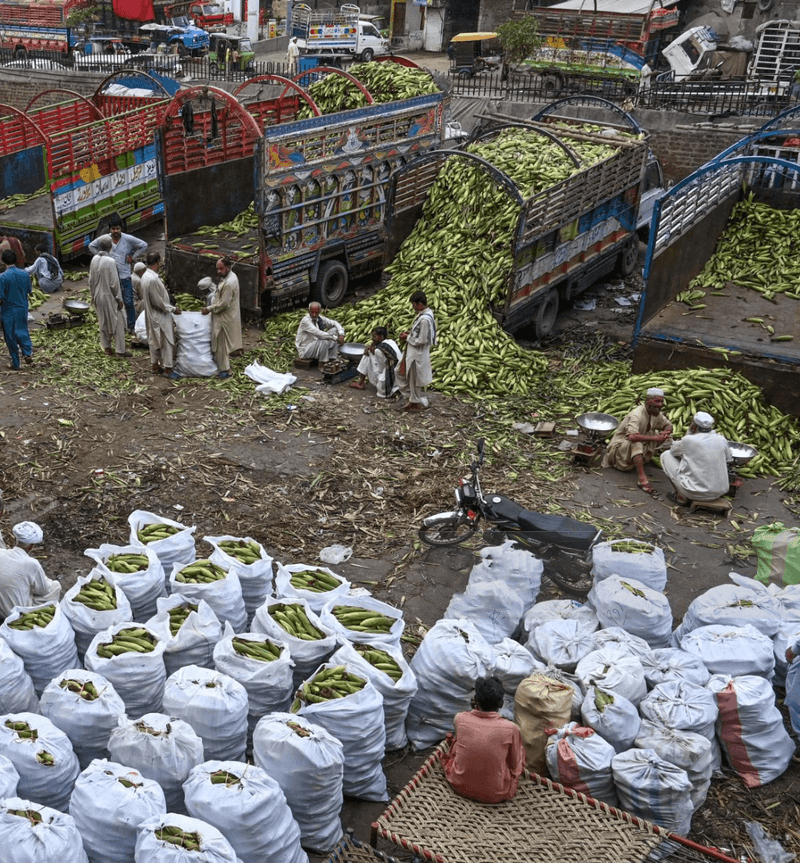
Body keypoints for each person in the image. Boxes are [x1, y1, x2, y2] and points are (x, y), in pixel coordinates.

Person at [441, 676, 526, 804]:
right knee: (519, 751)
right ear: (501, 704)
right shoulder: (511, 728)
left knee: (457, 743)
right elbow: (514, 765)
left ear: (475, 700)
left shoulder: (459, 718)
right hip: (495, 794)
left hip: (458, 784)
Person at [603, 387, 673, 496]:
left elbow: (668, 425)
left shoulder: (655, 413)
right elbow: (632, 437)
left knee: (667, 437)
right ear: (648, 402)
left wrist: (665, 432)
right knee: (637, 441)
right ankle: (642, 478)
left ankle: (640, 461)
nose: (660, 404)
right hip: (619, 453)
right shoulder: (636, 415)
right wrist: (655, 438)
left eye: (661, 401)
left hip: (632, 449)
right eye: (657, 401)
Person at [88, 216, 148, 333]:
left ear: (121, 229)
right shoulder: (105, 239)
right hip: (111, 278)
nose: (115, 231)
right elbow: (91, 246)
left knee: (128, 302)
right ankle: (117, 325)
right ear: (110, 230)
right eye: (113, 229)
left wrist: (133, 256)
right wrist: (100, 255)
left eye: (118, 229)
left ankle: (131, 326)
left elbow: (143, 245)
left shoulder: (128, 239)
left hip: (124, 276)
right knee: (114, 303)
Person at [660, 411, 732, 506]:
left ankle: (681, 497)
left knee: (666, 455)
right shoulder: (722, 439)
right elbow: (728, 459)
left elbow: (673, 451)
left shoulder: (689, 440)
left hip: (694, 492)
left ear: (694, 426)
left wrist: (689, 433)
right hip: (719, 492)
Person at [0, 521, 61, 621]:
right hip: (14, 613)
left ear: (16, 539)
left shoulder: (1, 552)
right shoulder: (31, 564)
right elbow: (43, 590)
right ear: (31, 546)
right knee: (55, 586)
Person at [140, 251, 181, 376]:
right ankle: (168, 369)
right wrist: (173, 309)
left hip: (151, 315)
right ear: (157, 263)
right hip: (159, 316)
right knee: (167, 341)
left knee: (154, 341)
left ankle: (155, 365)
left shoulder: (145, 276)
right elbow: (158, 302)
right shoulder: (152, 279)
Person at [202, 256, 242, 380]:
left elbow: (224, 304)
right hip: (224, 315)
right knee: (221, 343)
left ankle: (225, 370)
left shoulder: (230, 283)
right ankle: (224, 365)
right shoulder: (228, 277)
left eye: (221, 269)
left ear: (228, 267)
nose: (218, 271)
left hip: (224, 317)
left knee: (220, 343)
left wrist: (208, 309)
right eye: (217, 269)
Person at [88, 237, 129, 359]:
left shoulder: (94, 259)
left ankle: (107, 348)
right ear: (110, 247)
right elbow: (114, 283)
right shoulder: (110, 262)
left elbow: (90, 281)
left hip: (98, 296)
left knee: (103, 321)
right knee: (118, 322)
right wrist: (119, 299)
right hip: (109, 296)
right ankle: (120, 351)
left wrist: (92, 296)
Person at [395, 290, 436, 412]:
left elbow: (422, 340)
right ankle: (411, 398)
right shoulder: (425, 314)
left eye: (414, 305)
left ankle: (414, 402)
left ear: (419, 304)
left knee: (413, 379)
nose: (413, 308)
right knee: (401, 372)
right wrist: (410, 333)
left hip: (417, 354)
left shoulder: (424, 319)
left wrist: (407, 337)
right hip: (412, 352)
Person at [0, 249, 33, 370]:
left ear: (3, 261)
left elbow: (0, 297)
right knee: (22, 330)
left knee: (10, 336)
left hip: (8, 309)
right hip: (22, 307)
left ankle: (15, 362)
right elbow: (29, 291)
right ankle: (27, 352)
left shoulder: (2, 277)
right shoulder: (24, 273)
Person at [350, 326, 401, 397]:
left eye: (374, 336)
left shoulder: (378, 350)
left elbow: (380, 368)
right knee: (369, 352)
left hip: (389, 379)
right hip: (400, 377)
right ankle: (360, 381)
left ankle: (360, 382)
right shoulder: (391, 342)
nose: (372, 339)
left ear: (380, 337)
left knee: (367, 355)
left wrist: (371, 353)